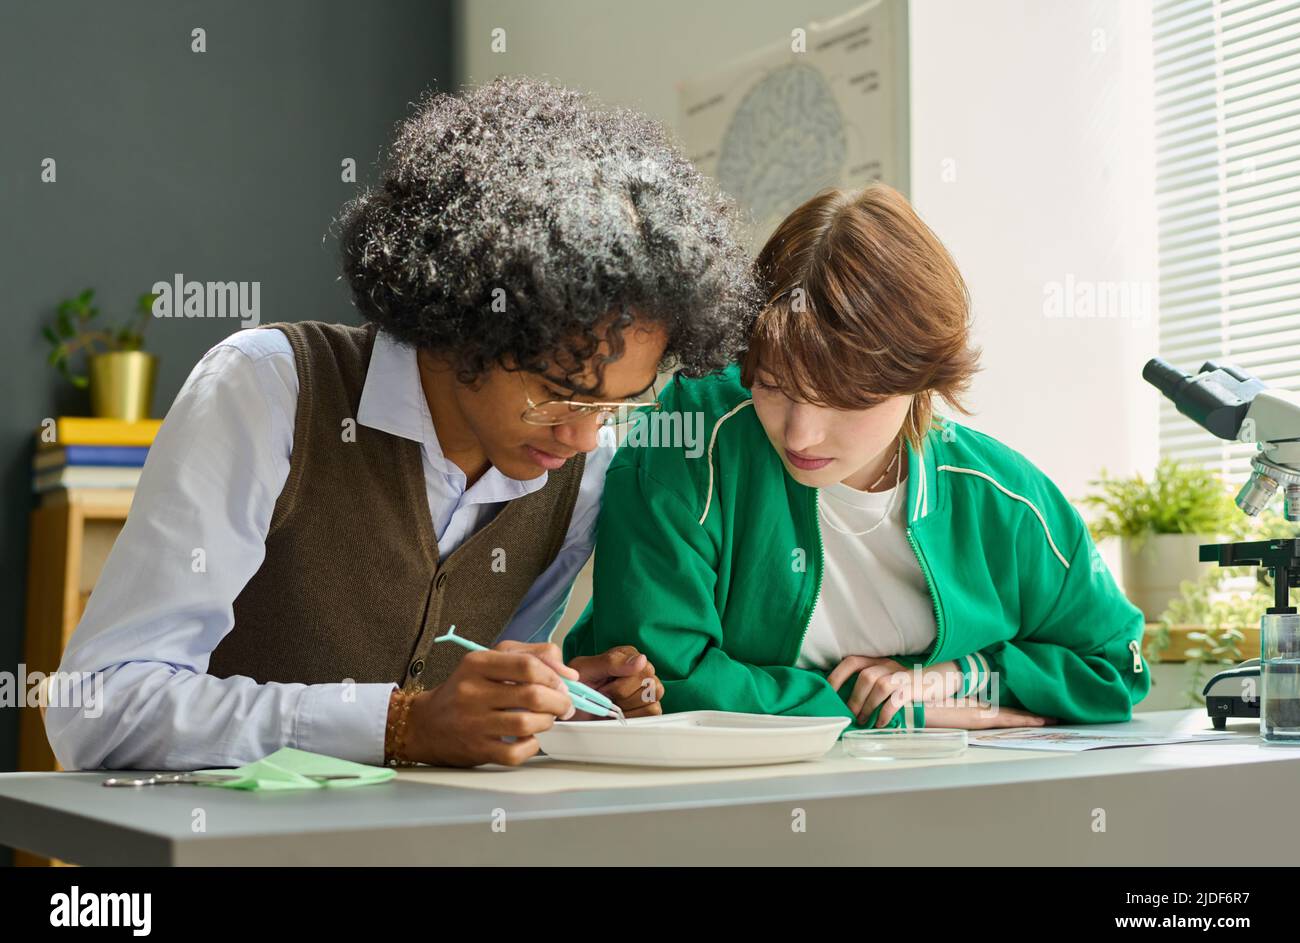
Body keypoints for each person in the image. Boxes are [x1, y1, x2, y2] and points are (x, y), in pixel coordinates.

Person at [46, 76, 755, 770]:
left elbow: (471, 706)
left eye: (614, 408)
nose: (584, 437)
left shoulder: (579, 474)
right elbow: (101, 707)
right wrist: (398, 724)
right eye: (557, 392)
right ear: (466, 321)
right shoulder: (267, 389)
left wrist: (553, 704)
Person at [565, 183, 1150, 730]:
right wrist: (883, 711)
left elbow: (1117, 668)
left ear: (921, 376)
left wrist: (961, 679)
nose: (800, 435)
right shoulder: (687, 437)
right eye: (772, 385)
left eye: (845, 400)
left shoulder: (1003, 498)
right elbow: (652, 684)